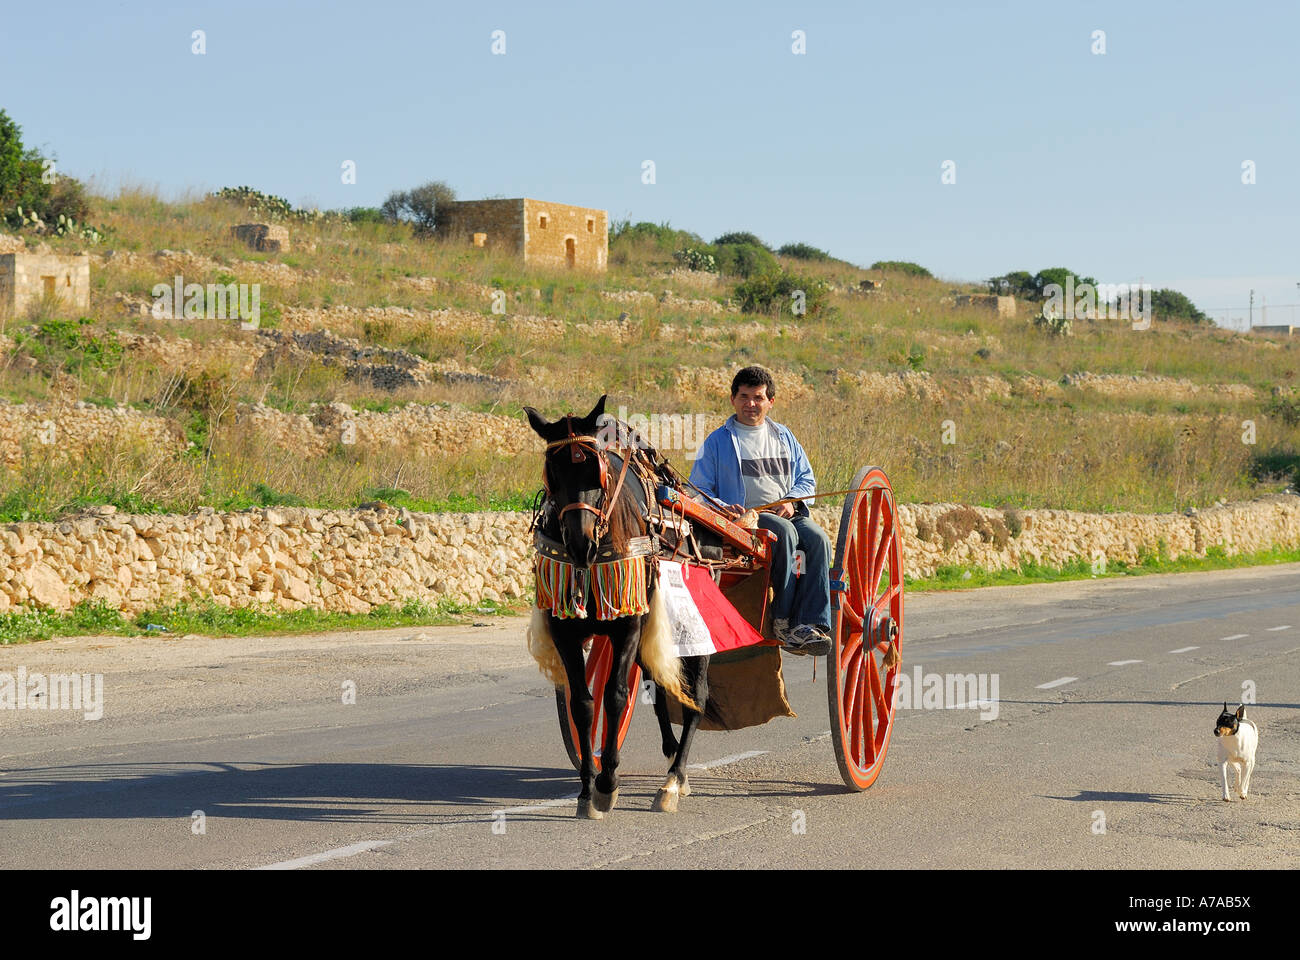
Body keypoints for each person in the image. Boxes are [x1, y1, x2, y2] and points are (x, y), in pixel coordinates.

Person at [689, 365, 832, 654]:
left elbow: (807, 479)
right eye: (744, 397)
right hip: (747, 520)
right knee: (785, 534)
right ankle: (783, 620)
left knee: (818, 539)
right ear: (733, 399)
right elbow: (697, 489)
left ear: (771, 402)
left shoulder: (784, 437)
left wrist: (791, 500)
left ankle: (812, 623)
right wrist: (721, 507)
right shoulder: (718, 441)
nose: (750, 404)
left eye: (758, 397)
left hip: (787, 512)